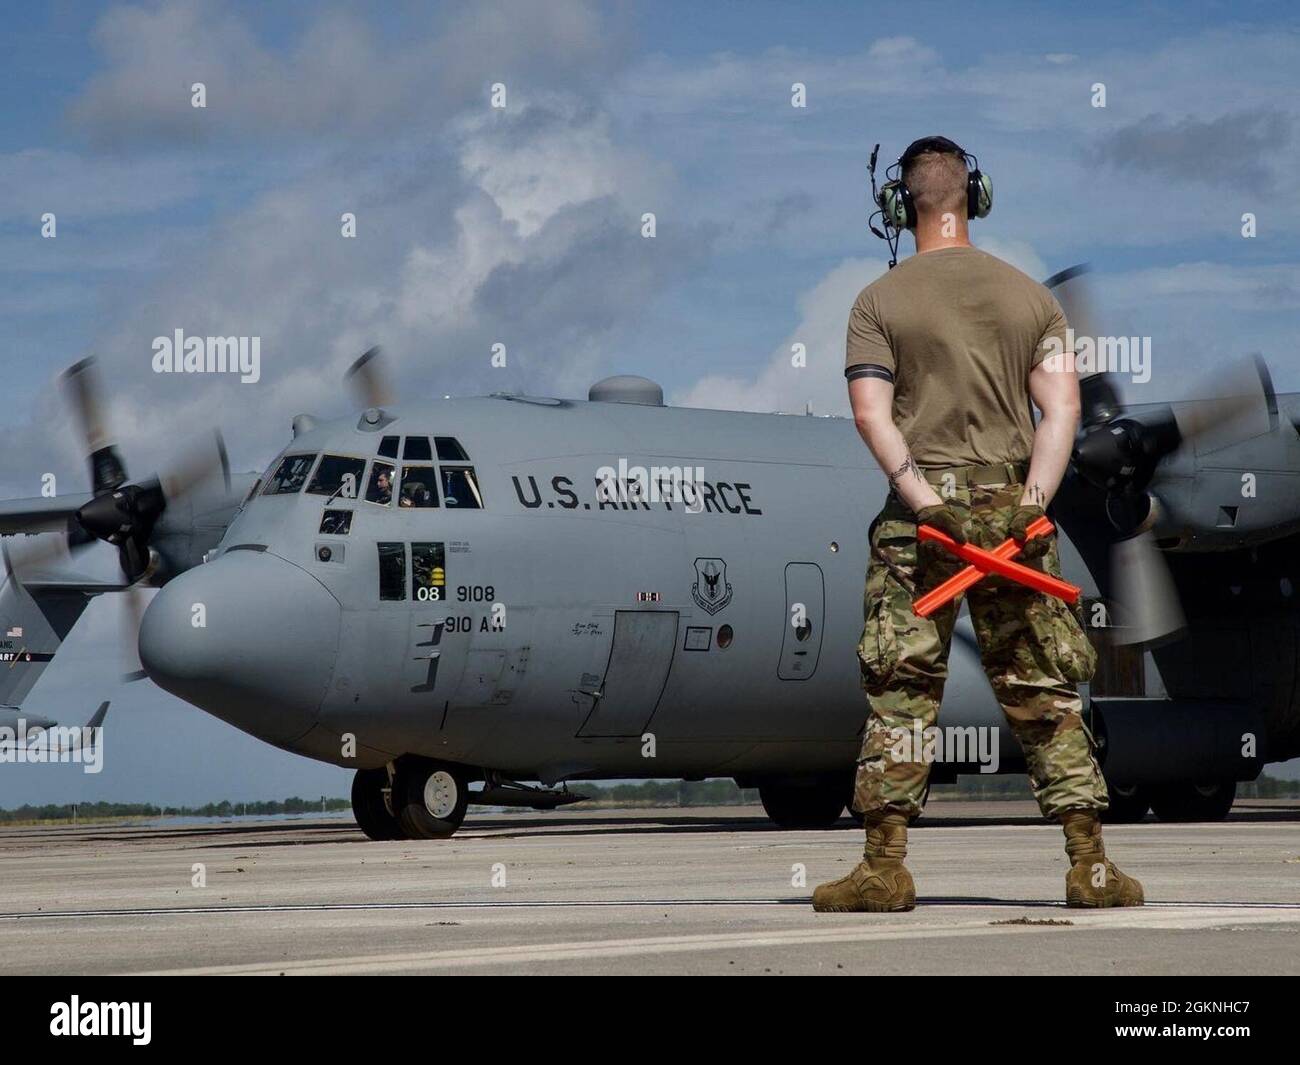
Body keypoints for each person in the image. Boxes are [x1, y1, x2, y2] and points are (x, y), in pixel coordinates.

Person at [813, 136, 1143, 912]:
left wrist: (927, 504)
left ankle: (884, 869)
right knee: (1043, 688)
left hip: (923, 522)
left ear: (902, 206)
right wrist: (1031, 502)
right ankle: (1090, 865)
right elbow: (1061, 408)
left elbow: (870, 415)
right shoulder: (1033, 299)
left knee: (903, 688)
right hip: (1013, 515)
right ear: (975, 198)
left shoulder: (875, 303)